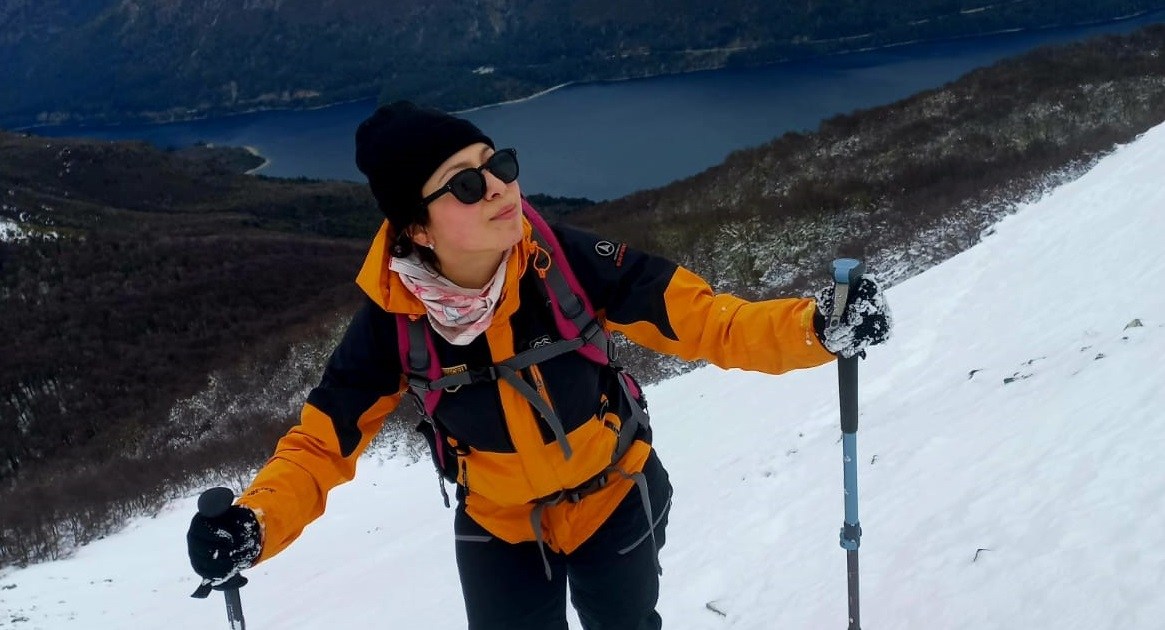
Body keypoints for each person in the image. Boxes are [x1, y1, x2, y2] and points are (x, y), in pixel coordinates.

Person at [185, 101, 892, 629]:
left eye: (498, 164)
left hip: (612, 493)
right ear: (416, 227)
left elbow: (708, 320)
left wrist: (815, 327)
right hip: (498, 523)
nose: (496, 186)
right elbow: (319, 446)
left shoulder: (571, 264)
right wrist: (255, 524)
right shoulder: (391, 325)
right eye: (464, 183)